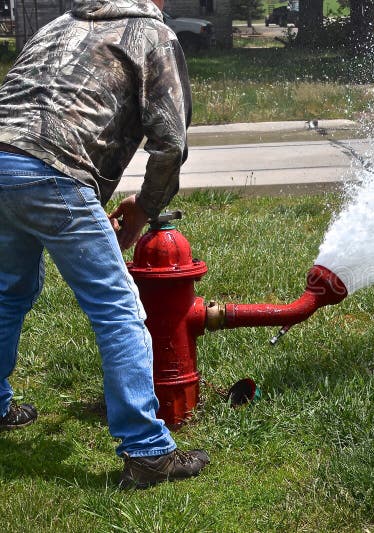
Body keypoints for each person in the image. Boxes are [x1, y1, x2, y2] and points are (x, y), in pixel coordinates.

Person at [0, 0, 209, 489]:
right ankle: (147, 451)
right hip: (53, 172)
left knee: (7, 293)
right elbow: (170, 141)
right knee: (117, 309)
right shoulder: (151, 34)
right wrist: (146, 208)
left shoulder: (60, 24)